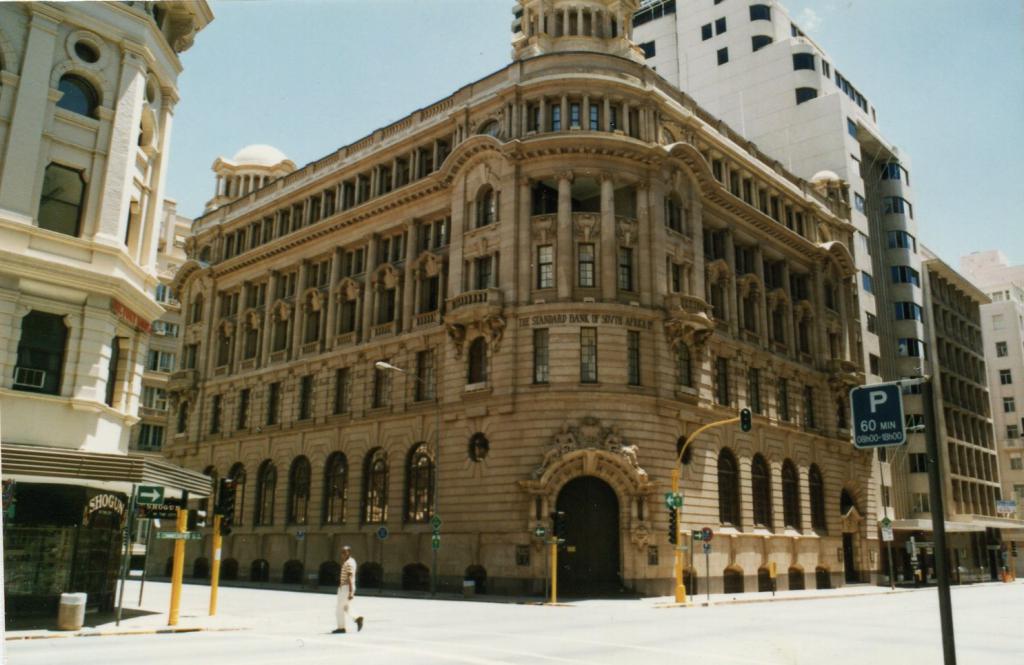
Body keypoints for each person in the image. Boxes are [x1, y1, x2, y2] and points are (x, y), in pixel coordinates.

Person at [334, 546, 364, 634]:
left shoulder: (349, 563)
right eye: (342, 552)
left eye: (345, 552)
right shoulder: (351, 561)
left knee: (339, 608)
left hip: (346, 587)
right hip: (346, 587)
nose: (342, 554)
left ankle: (341, 628)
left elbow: (350, 577)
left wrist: (350, 592)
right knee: (346, 607)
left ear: (349, 553)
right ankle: (357, 618)